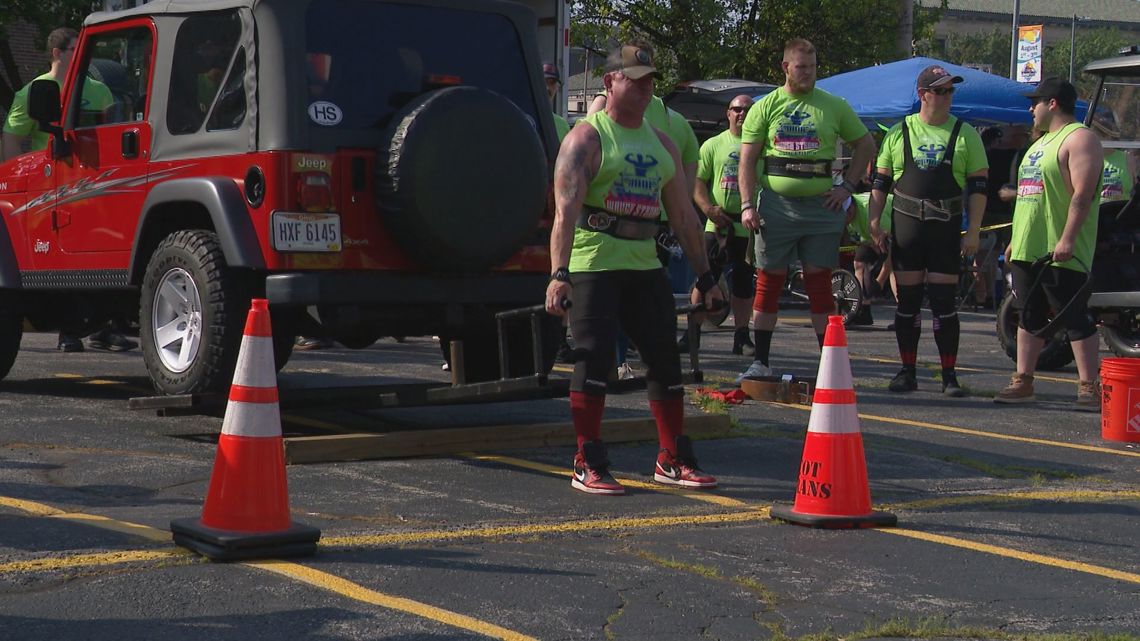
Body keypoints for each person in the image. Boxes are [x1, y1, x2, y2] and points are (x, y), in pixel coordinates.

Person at [545, 41, 723, 495]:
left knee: (664, 359)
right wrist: (558, 274)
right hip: (594, 263)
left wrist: (706, 278)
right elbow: (564, 213)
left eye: (650, 81)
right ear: (609, 82)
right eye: (634, 79)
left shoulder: (661, 142)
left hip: (644, 264)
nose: (644, 89)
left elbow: (683, 217)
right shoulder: (586, 138)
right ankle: (587, 459)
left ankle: (671, 458)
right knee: (595, 358)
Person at [735, 38, 876, 381]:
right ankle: (761, 361)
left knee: (820, 284)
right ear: (785, 67)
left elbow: (866, 145)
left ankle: (830, 367)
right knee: (769, 281)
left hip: (820, 207)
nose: (808, 74)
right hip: (776, 206)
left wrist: (847, 187)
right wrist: (746, 205)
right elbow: (747, 160)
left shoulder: (833, 105)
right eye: (801, 68)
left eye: (812, 68)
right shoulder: (765, 106)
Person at [2, 27, 135, 353]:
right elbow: (10, 139)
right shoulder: (34, 92)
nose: (82, 54)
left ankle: (103, 330)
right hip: (48, 185)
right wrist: (19, 181)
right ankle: (68, 333)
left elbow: (109, 130)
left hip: (92, 181)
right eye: (76, 48)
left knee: (102, 249)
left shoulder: (99, 91)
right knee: (54, 261)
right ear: (58, 53)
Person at [868, 65, 988, 397]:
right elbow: (880, 183)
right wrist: (874, 222)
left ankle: (949, 375)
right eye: (941, 91)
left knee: (943, 303)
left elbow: (979, 188)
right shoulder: (898, 132)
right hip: (908, 227)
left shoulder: (966, 134)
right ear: (923, 95)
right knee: (907, 303)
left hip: (945, 230)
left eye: (951, 91)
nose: (948, 97)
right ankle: (907, 371)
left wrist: (974, 231)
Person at [994, 77, 1103, 410]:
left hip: (1060, 245)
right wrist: (1015, 239)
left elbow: (1082, 195)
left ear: (1052, 103)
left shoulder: (1080, 138)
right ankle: (1023, 381)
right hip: (1029, 244)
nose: (1031, 109)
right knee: (1029, 314)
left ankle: (1090, 387)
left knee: (1073, 315)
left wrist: (1068, 237)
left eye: (1035, 102)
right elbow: (1029, 194)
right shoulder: (1039, 143)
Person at [692, 94, 757, 354]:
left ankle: (742, 335)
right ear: (727, 113)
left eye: (747, 110)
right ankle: (693, 333)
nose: (742, 114)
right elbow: (697, 182)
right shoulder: (713, 145)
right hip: (717, 224)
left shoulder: (760, 145)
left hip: (746, 224)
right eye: (737, 109)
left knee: (743, 285)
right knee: (705, 279)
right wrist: (707, 208)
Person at [844, 189, 893, 326]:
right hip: (871, 237)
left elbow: (893, 251)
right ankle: (863, 310)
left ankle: (904, 314)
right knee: (860, 261)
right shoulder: (848, 205)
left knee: (896, 270)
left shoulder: (868, 212)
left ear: (851, 209)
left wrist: (880, 280)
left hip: (893, 231)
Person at [1092, 112, 1136, 203]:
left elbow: (1134, 190)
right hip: (1099, 214)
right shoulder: (1090, 160)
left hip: (1121, 213)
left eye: (1096, 136)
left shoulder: (1127, 158)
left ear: (1108, 137)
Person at [542, 61, 571, 142]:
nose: (548, 87)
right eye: (544, 81)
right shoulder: (525, 120)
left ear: (557, 87)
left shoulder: (563, 126)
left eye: (552, 83)